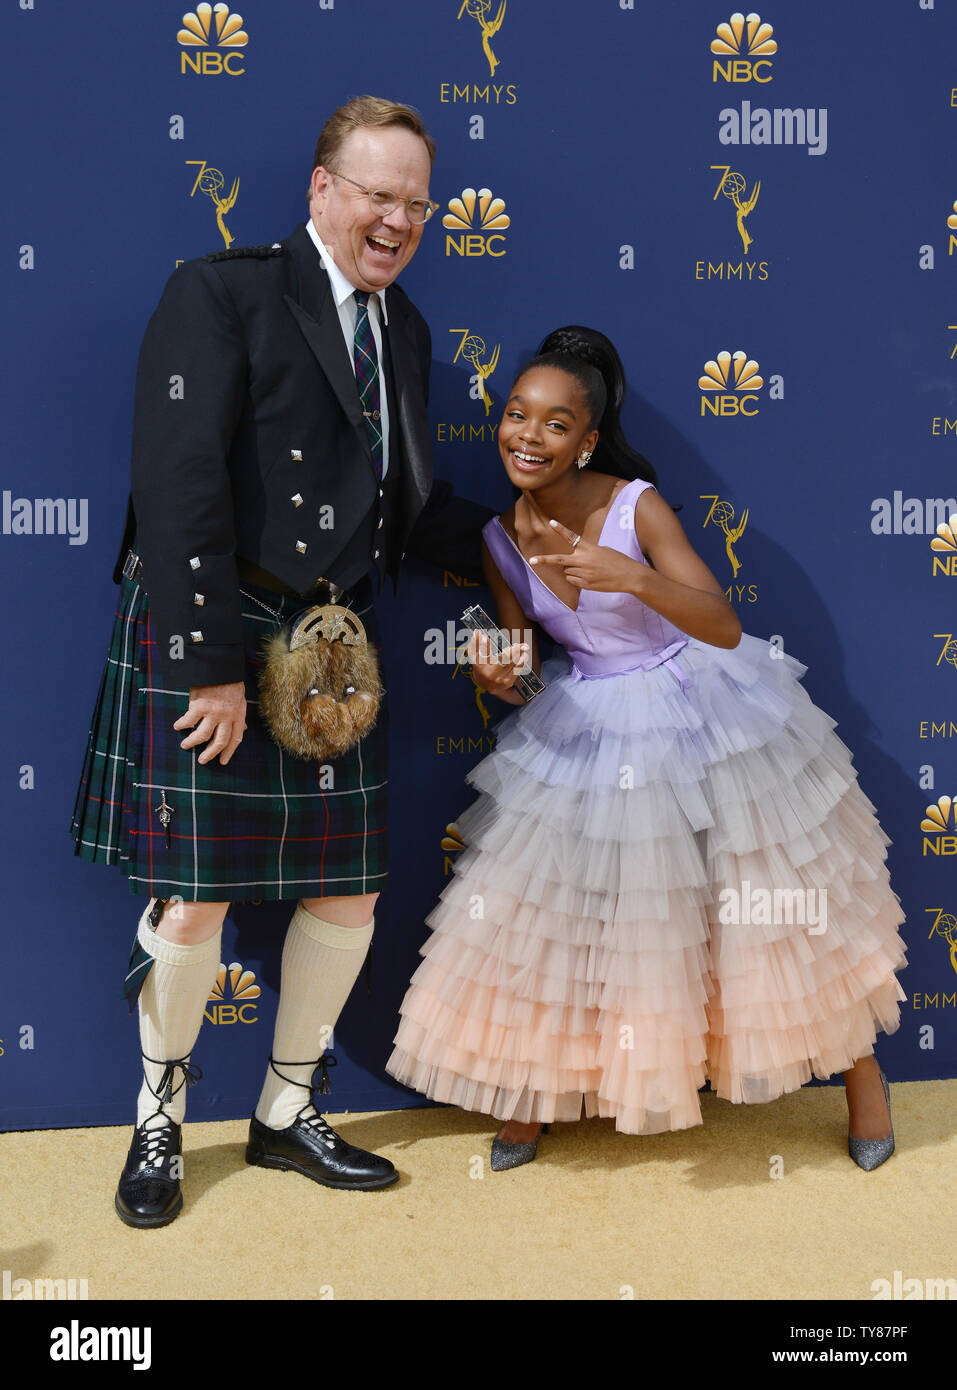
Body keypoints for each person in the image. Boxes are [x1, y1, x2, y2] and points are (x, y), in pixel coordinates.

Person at [70, 95, 493, 1226]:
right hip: (222, 626)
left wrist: (524, 551)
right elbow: (179, 485)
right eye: (377, 194)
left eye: (418, 201)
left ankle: (284, 1111)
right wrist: (209, 664)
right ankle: (159, 1113)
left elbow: (402, 506)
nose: (399, 219)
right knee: (196, 902)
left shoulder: (402, 330)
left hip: (329, 652)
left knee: (350, 888)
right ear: (322, 190)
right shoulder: (223, 294)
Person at [386, 326, 907, 1171]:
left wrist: (628, 576)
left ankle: (861, 1076)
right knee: (540, 917)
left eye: (555, 424)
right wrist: (495, 679)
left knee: (773, 905)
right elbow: (521, 673)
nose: (528, 436)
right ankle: (530, 1095)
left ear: (586, 439)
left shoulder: (635, 505)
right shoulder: (495, 540)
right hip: (587, 723)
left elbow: (722, 624)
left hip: (701, 707)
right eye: (516, 415)